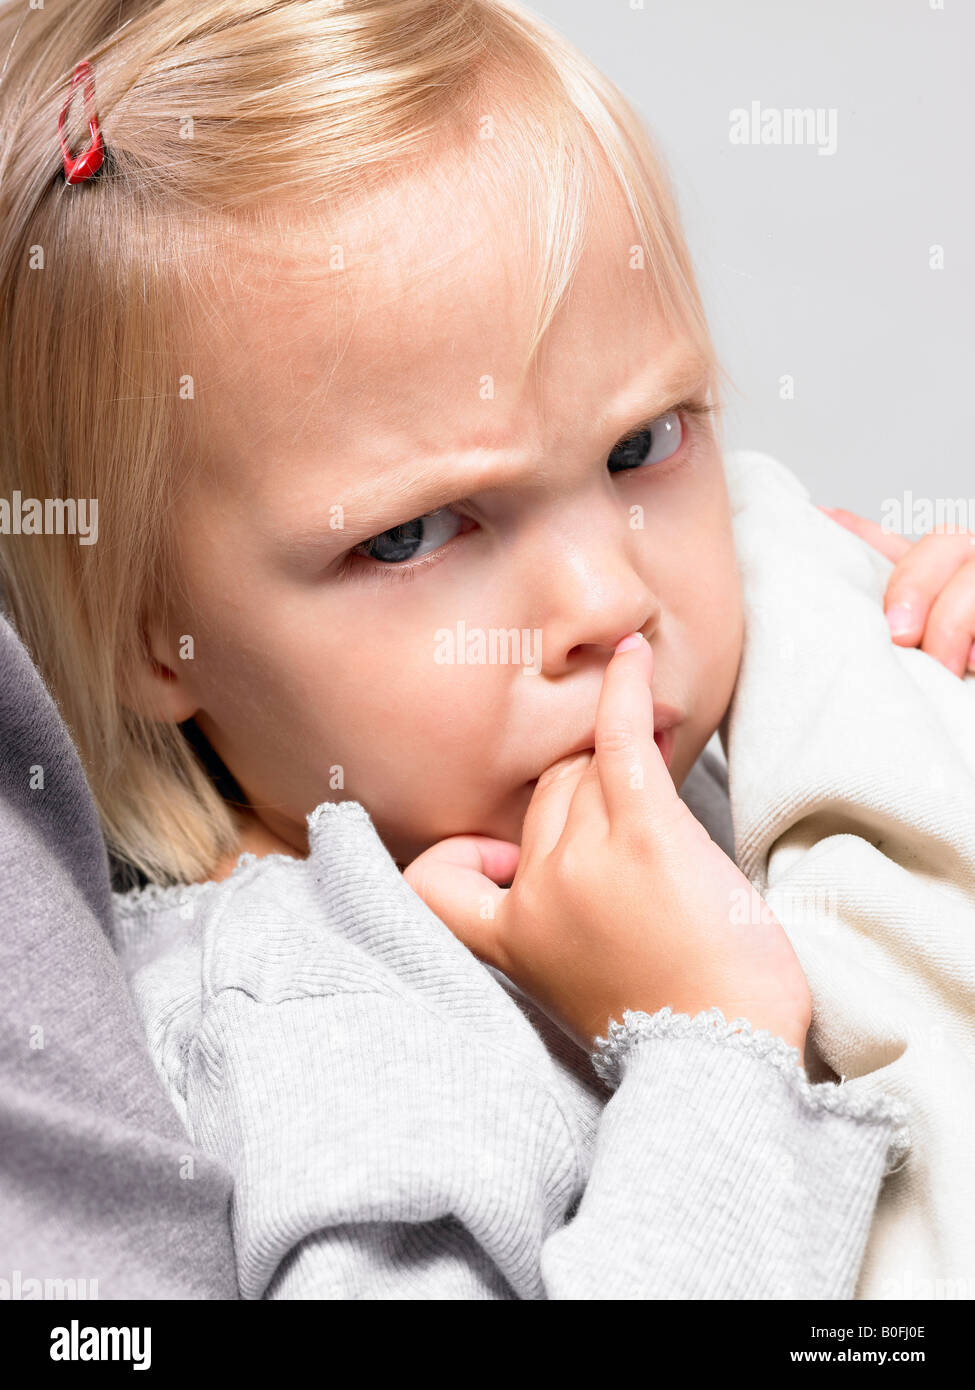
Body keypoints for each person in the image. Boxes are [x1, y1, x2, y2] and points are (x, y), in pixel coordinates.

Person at [1, 0, 970, 1299]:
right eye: (411, 536)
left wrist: (925, 711)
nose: (604, 596)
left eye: (642, 446)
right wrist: (712, 1046)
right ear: (150, 637)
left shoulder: (725, 739)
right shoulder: (314, 1019)